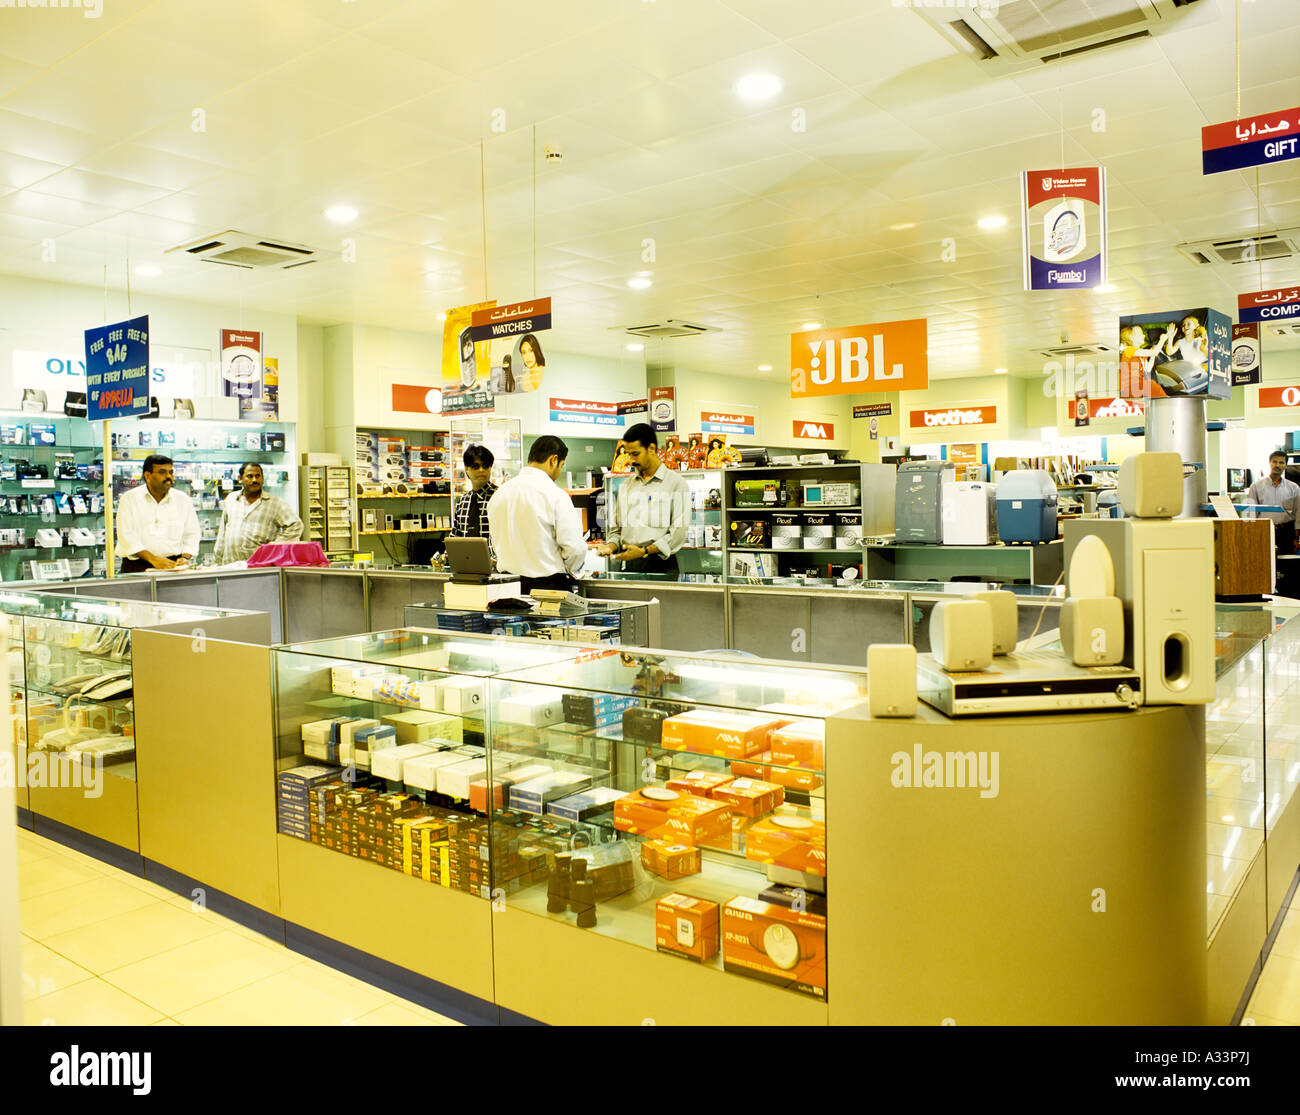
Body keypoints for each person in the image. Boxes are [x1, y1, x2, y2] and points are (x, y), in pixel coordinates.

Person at [487, 434, 587, 592]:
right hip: (548, 587)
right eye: (561, 465)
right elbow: (574, 548)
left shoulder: (499, 494)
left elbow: (494, 543)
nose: (559, 471)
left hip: (506, 587)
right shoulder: (555, 495)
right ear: (553, 460)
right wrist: (574, 571)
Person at [597, 422, 689, 575]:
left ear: (651, 449)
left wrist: (644, 551)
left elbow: (678, 534)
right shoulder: (626, 486)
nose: (631, 460)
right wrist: (610, 547)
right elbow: (617, 530)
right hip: (628, 565)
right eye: (628, 454)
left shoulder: (676, 484)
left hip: (660, 564)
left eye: (635, 454)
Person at [116, 455, 200, 573]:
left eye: (171, 472)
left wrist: (185, 557)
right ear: (148, 475)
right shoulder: (130, 499)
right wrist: (153, 559)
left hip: (173, 565)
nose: (168, 476)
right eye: (162, 472)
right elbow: (126, 536)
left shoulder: (183, 500)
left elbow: (192, 534)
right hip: (137, 566)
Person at [212, 462, 303, 564]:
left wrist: (274, 547)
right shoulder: (231, 499)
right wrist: (218, 561)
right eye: (249, 476)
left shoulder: (274, 503)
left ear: (262, 478)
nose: (254, 480)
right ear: (240, 478)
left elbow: (296, 525)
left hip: (259, 568)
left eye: (257, 476)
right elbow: (222, 532)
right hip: (230, 566)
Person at [1247, 450, 1299, 561]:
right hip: (1263, 531)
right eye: (1274, 462)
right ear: (1269, 463)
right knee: (1263, 561)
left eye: (1281, 462)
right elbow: (1251, 514)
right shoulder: (1256, 487)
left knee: (1285, 566)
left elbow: (1298, 514)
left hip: (1286, 533)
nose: (1277, 465)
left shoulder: (1294, 488)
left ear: (1286, 465)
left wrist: (1296, 539)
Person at [451, 444, 497, 554]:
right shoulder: (463, 501)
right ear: (467, 469)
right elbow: (455, 536)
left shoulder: (500, 497)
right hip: (466, 565)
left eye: (485, 466)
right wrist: (446, 557)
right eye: (475, 466)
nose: (481, 470)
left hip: (496, 568)